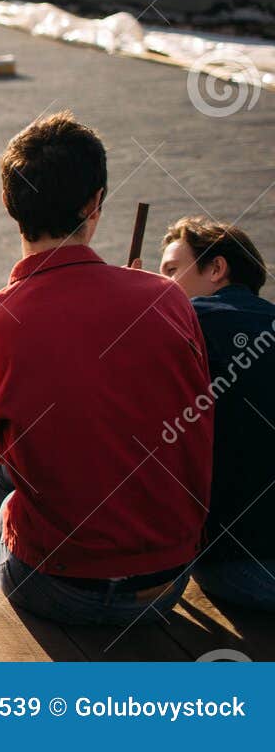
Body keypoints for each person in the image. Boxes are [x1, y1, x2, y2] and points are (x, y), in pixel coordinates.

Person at [0, 112, 211, 626]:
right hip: (169, 577)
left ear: (9, 204)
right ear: (95, 203)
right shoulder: (166, 298)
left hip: (57, 586)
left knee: (12, 465)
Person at [157, 217, 275, 611]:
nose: (161, 286)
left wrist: (132, 313)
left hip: (240, 568)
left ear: (216, 268)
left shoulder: (184, 324)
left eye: (171, 271)